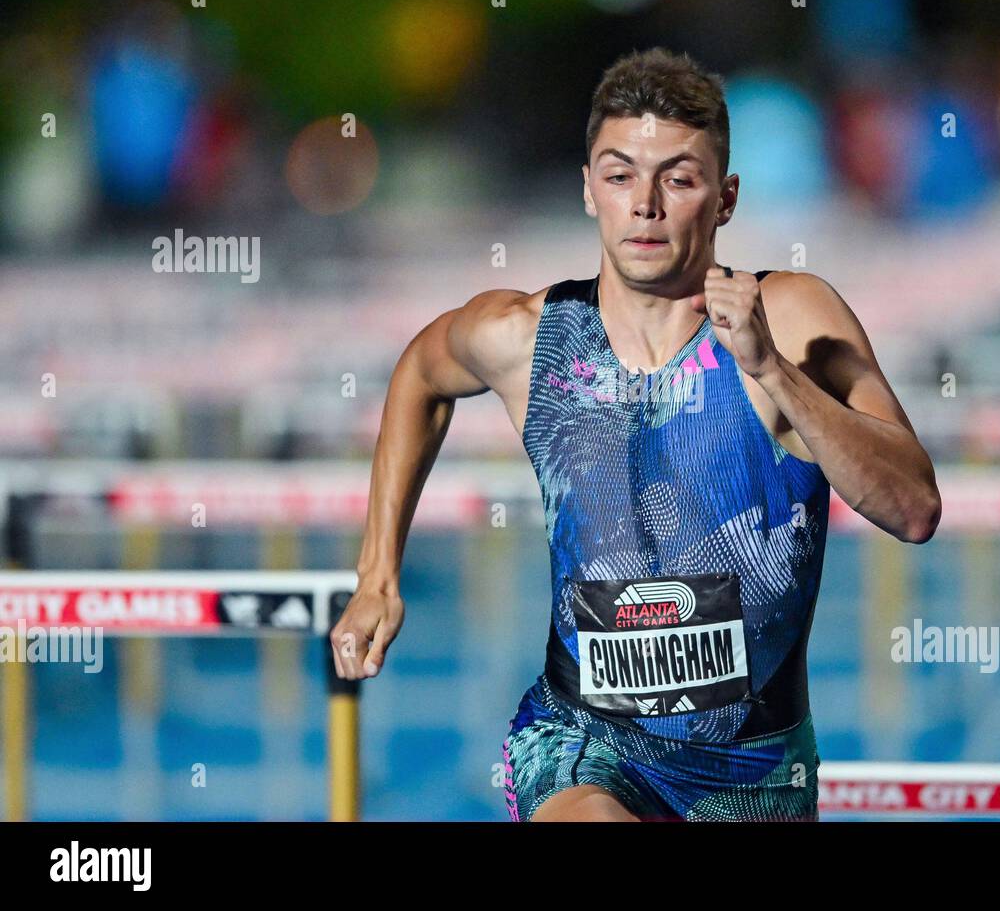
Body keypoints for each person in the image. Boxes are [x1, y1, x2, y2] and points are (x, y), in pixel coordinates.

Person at [329, 47, 941, 821]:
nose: (645, 205)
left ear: (725, 199)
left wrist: (776, 372)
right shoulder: (527, 337)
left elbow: (915, 509)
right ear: (590, 191)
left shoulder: (792, 315)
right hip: (581, 741)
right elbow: (420, 372)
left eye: (678, 180)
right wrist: (377, 576)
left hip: (754, 772)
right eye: (620, 176)